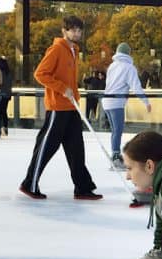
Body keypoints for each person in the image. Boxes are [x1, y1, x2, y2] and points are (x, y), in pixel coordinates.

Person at [19, 15, 101, 201]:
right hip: (58, 107)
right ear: (64, 31)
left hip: (71, 107)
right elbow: (40, 74)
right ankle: (29, 183)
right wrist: (63, 89)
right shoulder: (57, 49)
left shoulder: (73, 51)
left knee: (76, 148)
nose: (77, 33)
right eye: (73, 30)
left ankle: (83, 187)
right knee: (47, 146)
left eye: (79, 30)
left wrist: (73, 94)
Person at [101, 43, 149, 165]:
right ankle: (116, 156)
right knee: (118, 130)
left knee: (114, 130)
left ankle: (115, 153)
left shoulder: (112, 66)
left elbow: (108, 83)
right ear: (128, 53)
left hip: (107, 101)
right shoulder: (129, 67)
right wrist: (146, 101)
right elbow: (136, 87)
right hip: (116, 102)